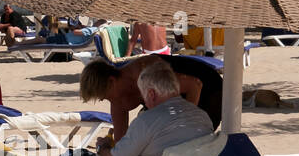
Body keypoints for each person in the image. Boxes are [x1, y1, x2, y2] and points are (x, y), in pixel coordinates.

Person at [13, 60, 214, 156]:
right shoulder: (203, 118)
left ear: (150, 94)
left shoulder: (147, 116)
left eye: (145, 97)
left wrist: (103, 148)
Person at [80, 53, 223, 139]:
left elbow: (194, 85)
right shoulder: (117, 98)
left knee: (185, 138)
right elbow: (121, 143)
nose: (106, 100)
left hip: (209, 88)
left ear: (111, 81)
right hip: (175, 97)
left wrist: (185, 124)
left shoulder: (146, 73)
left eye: (105, 95)